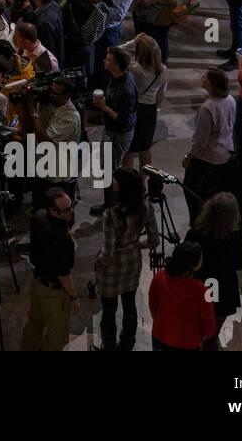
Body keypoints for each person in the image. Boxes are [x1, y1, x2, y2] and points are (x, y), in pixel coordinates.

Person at [93, 168, 157, 351]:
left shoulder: (111, 214)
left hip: (111, 271)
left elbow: (108, 253)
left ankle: (109, 346)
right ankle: (128, 344)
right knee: (130, 307)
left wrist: (97, 263)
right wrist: (135, 246)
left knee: (109, 311)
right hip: (133, 264)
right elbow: (154, 240)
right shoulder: (146, 207)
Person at [21, 187, 77, 351]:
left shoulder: (38, 217)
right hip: (55, 293)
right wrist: (74, 296)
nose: (71, 211)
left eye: (71, 206)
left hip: (38, 282)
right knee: (56, 337)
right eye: (66, 210)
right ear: (53, 212)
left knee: (34, 325)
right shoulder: (63, 240)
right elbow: (64, 274)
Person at [184, 192, 242, 348]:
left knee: (197, 327)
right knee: (212, 332)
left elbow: (186, 259)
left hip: (201, 286)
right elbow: (238, 263)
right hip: (223, 289)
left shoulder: (195, 233)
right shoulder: (233, 237)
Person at [183, 68, 237, 221]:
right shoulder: (231, 100)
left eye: (205, 77)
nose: (202, 77)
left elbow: (200, 140)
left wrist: (189, 156)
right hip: (225, 153)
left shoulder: (208, 108)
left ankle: (197, 222)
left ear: (213, 84)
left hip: (206, 159)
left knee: (194, 193)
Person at [148, 240, 215, 351]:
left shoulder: (159, 278)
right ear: (193, 265)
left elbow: (153, 307)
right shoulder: (203, 291)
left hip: (160, 337)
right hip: (188, 343)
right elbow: (209, 328)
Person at [118, 34, 166, 173]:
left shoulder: (133, 68)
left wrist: (132, 41)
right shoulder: (163, 70)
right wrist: (156, 110)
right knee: (145, 148)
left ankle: (128, 180)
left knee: (129, 150)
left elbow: (115, 50)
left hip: (133, 108)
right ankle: (143, 182)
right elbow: (161, 95)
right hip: (149, 111)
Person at [92, 46, 138, 189]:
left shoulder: (125, 89)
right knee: (105, 167)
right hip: (111, 130)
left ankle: (112, 205)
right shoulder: (118, 77)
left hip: (118, 134)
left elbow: (123, 119)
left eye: (109, 60)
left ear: (117, 65)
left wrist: (104, 107)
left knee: (111, 171)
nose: (104, 61)